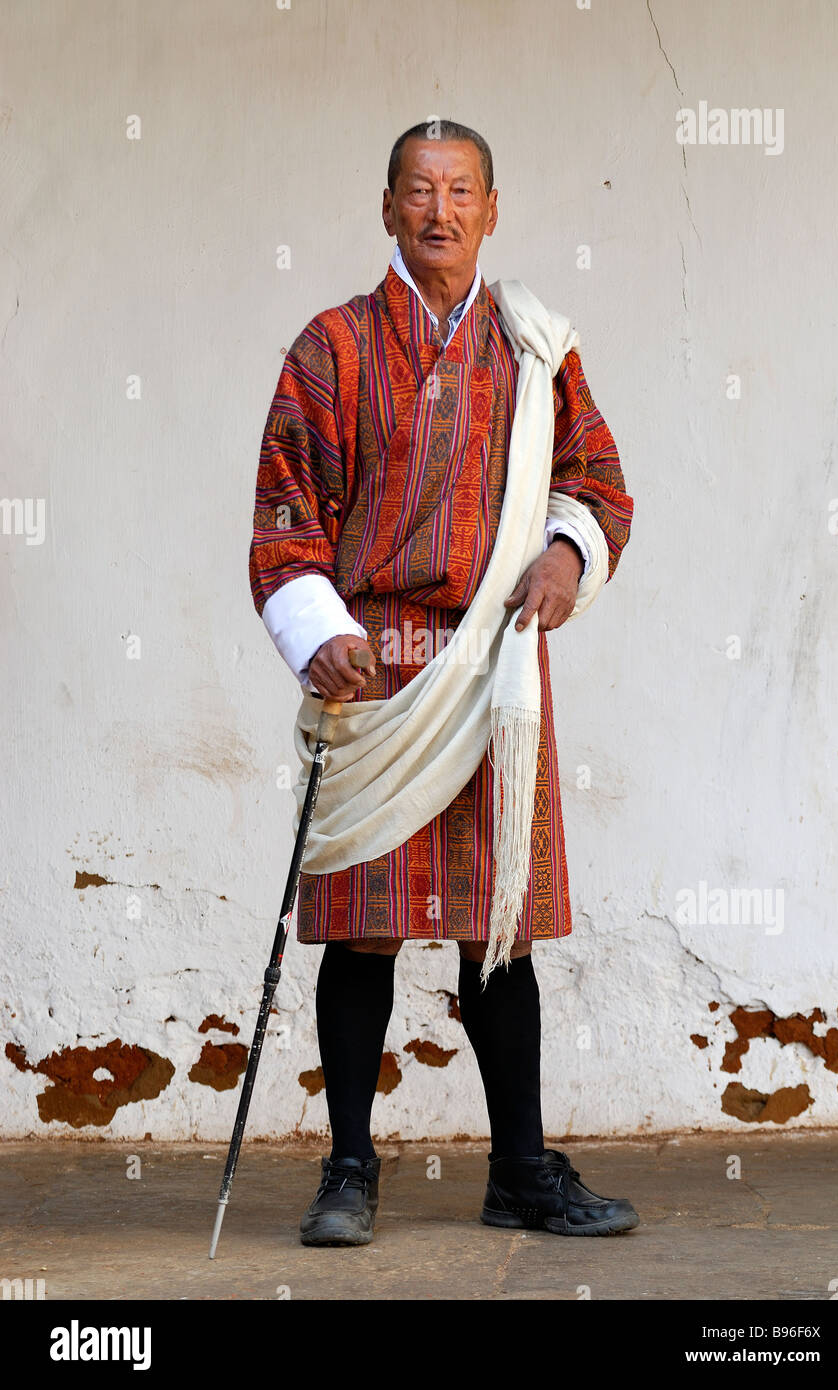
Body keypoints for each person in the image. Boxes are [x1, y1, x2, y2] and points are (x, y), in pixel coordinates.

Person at [249, 119, 637, 1246]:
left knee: (495, 925)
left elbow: (598, 481)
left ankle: (519, 1167)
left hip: (492, 666)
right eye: (418, 191)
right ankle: (349, 1168)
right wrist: (315, 630)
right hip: (375, 673)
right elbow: (284, 517)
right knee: (362, 928)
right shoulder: (329, 349)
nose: (440, 211)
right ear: (386, 209)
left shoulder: (535, 348)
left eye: (460, 191)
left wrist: (566, 555)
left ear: (492, 208)